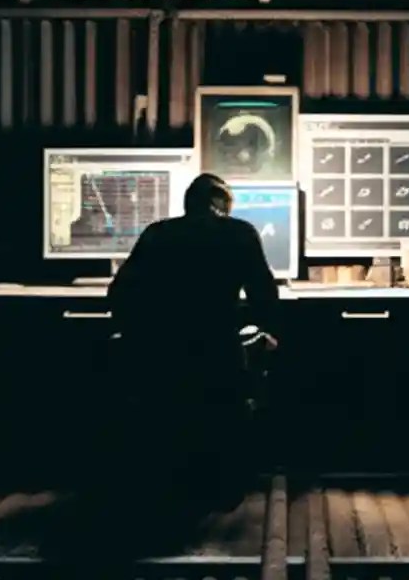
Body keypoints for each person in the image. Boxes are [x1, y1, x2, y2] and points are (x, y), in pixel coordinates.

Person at [105, 172, 279, 506]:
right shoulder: (239, 233)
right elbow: (265, 298)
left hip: (159, 357)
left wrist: (140, 333)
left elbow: (119, 293)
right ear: (222, 204)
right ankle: (222, 486)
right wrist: (256, 328)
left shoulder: (157, 233)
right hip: (217, 353)